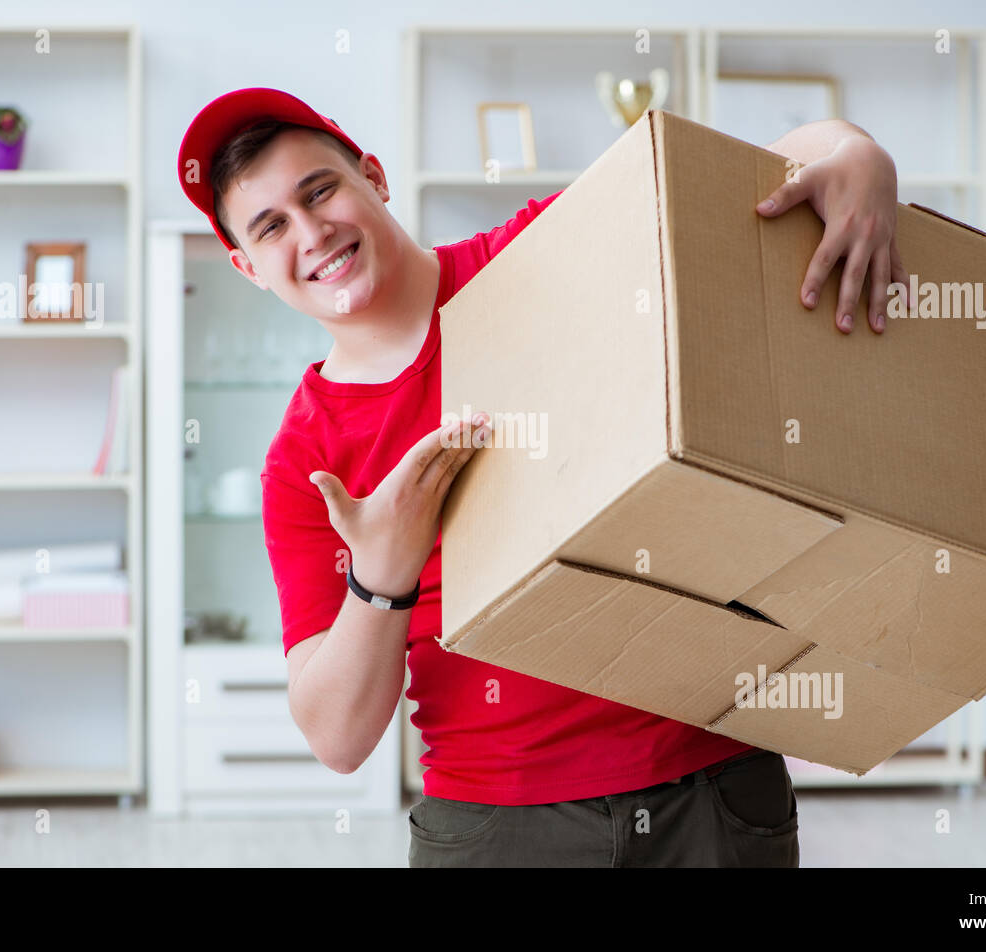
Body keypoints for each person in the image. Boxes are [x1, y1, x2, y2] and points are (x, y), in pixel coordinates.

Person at [177, 88, 908, 867]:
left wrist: (858, 153)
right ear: (247, 266)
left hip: (710, 784)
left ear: (374, 176)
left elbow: (737, 175)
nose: (312, 231)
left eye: (319, 190)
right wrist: (380, 575)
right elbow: (338, 738)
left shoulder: (531, 254)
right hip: (495, 825)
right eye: (271, 227)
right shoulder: (303, 462)